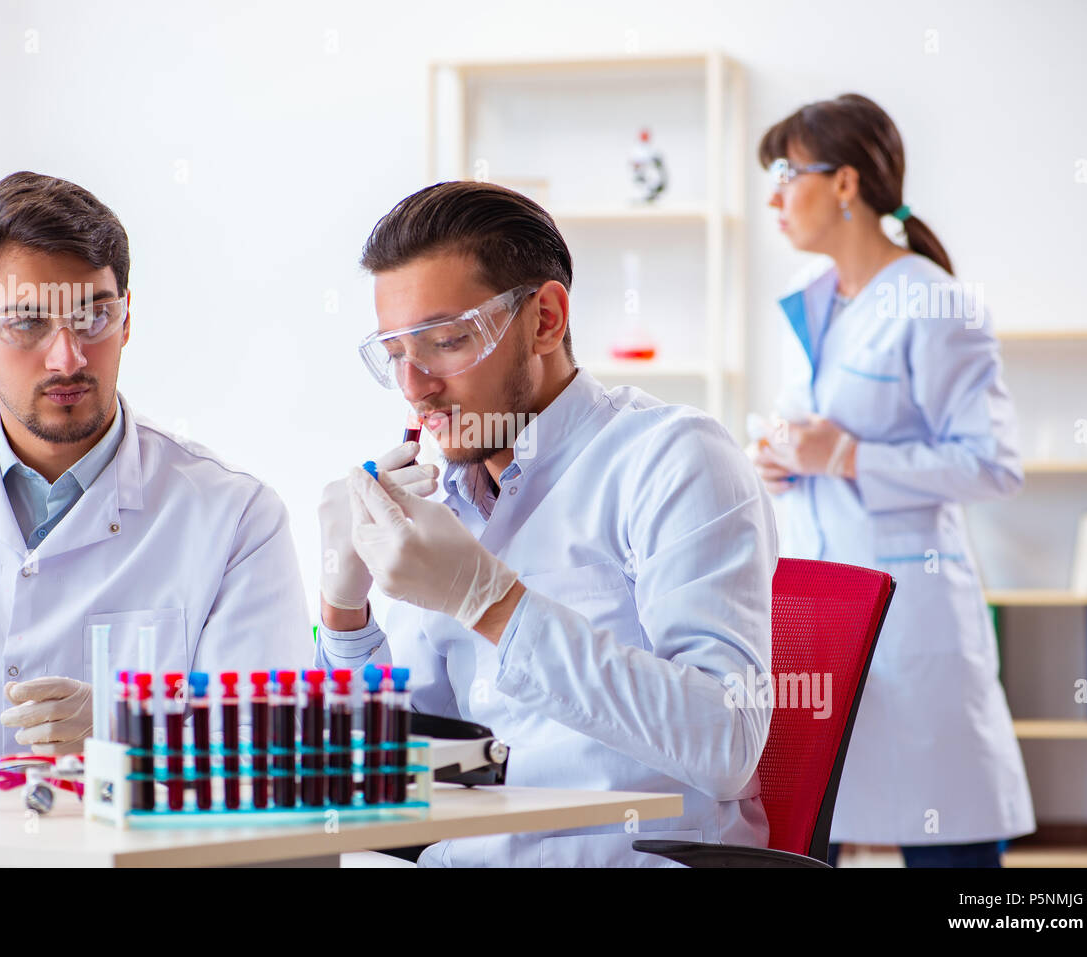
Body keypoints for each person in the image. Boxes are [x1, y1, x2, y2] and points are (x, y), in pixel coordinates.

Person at [315, 181, 779, 867]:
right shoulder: (444, 503)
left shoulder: (673, 458)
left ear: (545, 319)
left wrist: (494, 603)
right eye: (394, 356)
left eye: (444, 341)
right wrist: (344, 608)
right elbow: (386, 774)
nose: (414, 386)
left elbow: (727, 743)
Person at [0, 172, 311, 757]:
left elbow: (275, 749)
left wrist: (134, 729)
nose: (67, 357)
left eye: (93, 316)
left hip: (130, 850)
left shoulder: (235, 516)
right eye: (27, 322)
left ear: (127, 320)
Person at [751, 94, 1035, 867]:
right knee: (811, 831)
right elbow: (805, 430)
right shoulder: (810, 306)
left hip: (913, 615)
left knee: (948, 842)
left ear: (845, 183)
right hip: (819, 608)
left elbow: (994, 464)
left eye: (786, 175)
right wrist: (780, 454)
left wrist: (847, 457)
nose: (774, 197)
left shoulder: (935, 303)